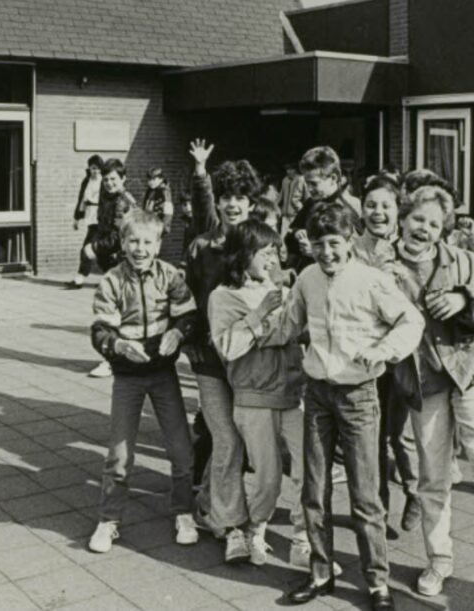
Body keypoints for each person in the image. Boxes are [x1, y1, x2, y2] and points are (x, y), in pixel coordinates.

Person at [279, 203, 424, 609]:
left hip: (359, 396)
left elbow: (411, 321)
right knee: (314, 489)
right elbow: (290, 322)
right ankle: (321, 573)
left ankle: (378, 583)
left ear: (349, 242)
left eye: (335, 243)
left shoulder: (371, 280)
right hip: (318, 394)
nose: (327, 252)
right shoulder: (307, 277)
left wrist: (384, 350)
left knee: (365, 495)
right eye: (319, 244)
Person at [390, 185, 474, 596]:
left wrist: (464, 298)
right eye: (418, 220)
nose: (424, 229)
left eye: (433, 223)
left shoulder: (462, 260)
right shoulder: (384, 267)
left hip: (470, 371)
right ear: (403, 219)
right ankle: (438, 559)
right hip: (422, 379)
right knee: (432, 475)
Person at [87, 209, 199, 553]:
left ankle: (183, 512)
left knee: (181, 448)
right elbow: (100, 331)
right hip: (128, 377)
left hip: (163, 374)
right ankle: (108, 519)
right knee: (119, 454)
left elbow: (190, 315)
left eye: (147, 242)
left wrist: (179, 333)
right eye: (133, 240)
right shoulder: (111, 280)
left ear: (159, 243)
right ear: (122, 242)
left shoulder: (171, 276)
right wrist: (118, 345)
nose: (140, 248)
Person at [183, 139, 265, 561]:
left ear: (253, 202)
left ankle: (208, 506)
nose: (233, 204)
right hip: (210, 360)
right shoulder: (205, 242)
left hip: (251, 360)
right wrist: (201, 173)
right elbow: (203, 209)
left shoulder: (261, 243)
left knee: (244, 442)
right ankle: (230, 526)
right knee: (226, 439)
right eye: (227, 196)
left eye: (241, 197)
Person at [208, 219, 305, 567]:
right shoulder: (223, 297)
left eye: (275, 251)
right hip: (253, 399)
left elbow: (295, 331)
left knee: (309, 469)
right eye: (264, 252)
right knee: (266, 478)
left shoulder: (281, 289)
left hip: (294, 394)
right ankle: (257, 530)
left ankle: (303, 541)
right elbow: (229, 347)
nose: (273, 259)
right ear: (242, 254)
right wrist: (261, 314)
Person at [355, 175, 421, 539]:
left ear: (398, 210)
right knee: (372, 436)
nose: (377, 212)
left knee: (402, 433)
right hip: (367, 354)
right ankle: (377, 511)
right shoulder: (352, 248)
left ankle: (413, 490)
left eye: (385, 205)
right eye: (370, 205)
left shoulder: (409, 246)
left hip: (405, 355)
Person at [84, 158, 136, 378]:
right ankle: (119, 355)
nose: (109, 183)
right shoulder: (107, 197)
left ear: (123, 179)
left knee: (115, 311)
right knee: (113, 310)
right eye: (106, 180)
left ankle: (112, 359)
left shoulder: (123, 201)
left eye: (114, 179)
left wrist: (95, 247)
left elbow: (117, 236)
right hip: (109, 261)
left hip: (122, 262)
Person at [287, 146, 361, 272]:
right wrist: (297, 234)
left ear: (333, 178)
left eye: (314, 183)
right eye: (307, 183)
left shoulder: (344, 210)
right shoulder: (311, 204)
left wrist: (316, 251)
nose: (309, 189)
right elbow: (290, 235)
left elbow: (354, 253)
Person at [72, 155, 105, 287]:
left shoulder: (104, 181)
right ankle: (109, 277)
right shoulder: (87, 181)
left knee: (88, 248)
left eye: (97, 168)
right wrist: (76, 218)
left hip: (102, 218)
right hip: (90, 217)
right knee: (98, 249)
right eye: (92, 168)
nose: (95, 171)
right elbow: (82, 200)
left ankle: (80, 277)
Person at [141, 167, 174, 235]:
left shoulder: (164, 192)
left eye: (153, 179)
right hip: (148, 224)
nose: (150, 182)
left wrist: (163, 228)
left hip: (157, 227)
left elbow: (168, 212)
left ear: (161, 179)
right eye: (149, 179)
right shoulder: (150, 190)